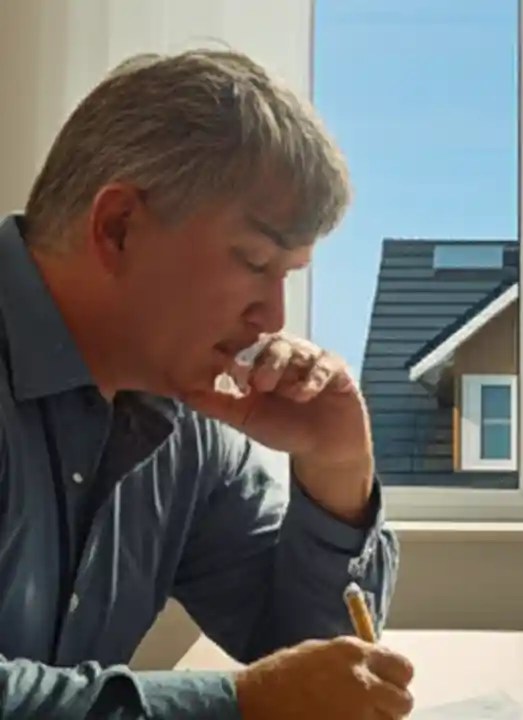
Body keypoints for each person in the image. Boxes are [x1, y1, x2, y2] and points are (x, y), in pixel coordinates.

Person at [0, 50, 413, 719]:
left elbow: (309, 665)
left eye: (290, 274)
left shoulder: (178, 416)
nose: (275, 318)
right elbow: (272, 696)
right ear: (118, 227)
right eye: (255, 261)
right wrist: (235, 706)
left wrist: (336, 470)